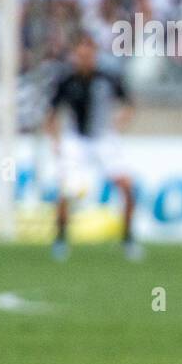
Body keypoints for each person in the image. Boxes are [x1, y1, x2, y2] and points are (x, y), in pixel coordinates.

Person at [45, 32, 140, 261]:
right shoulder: (67, 80)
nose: (84, 58)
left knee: (126, 186)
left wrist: (120, 122)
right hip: (76, 139)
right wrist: (56, 141)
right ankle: (60, 238)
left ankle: (127, 238)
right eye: (80, 54)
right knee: (66, 190)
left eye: (88, 54)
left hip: (103, 138)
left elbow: (129, 103)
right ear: (75, 56)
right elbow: (51, 114)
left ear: (94, 54)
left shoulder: (107, 78)